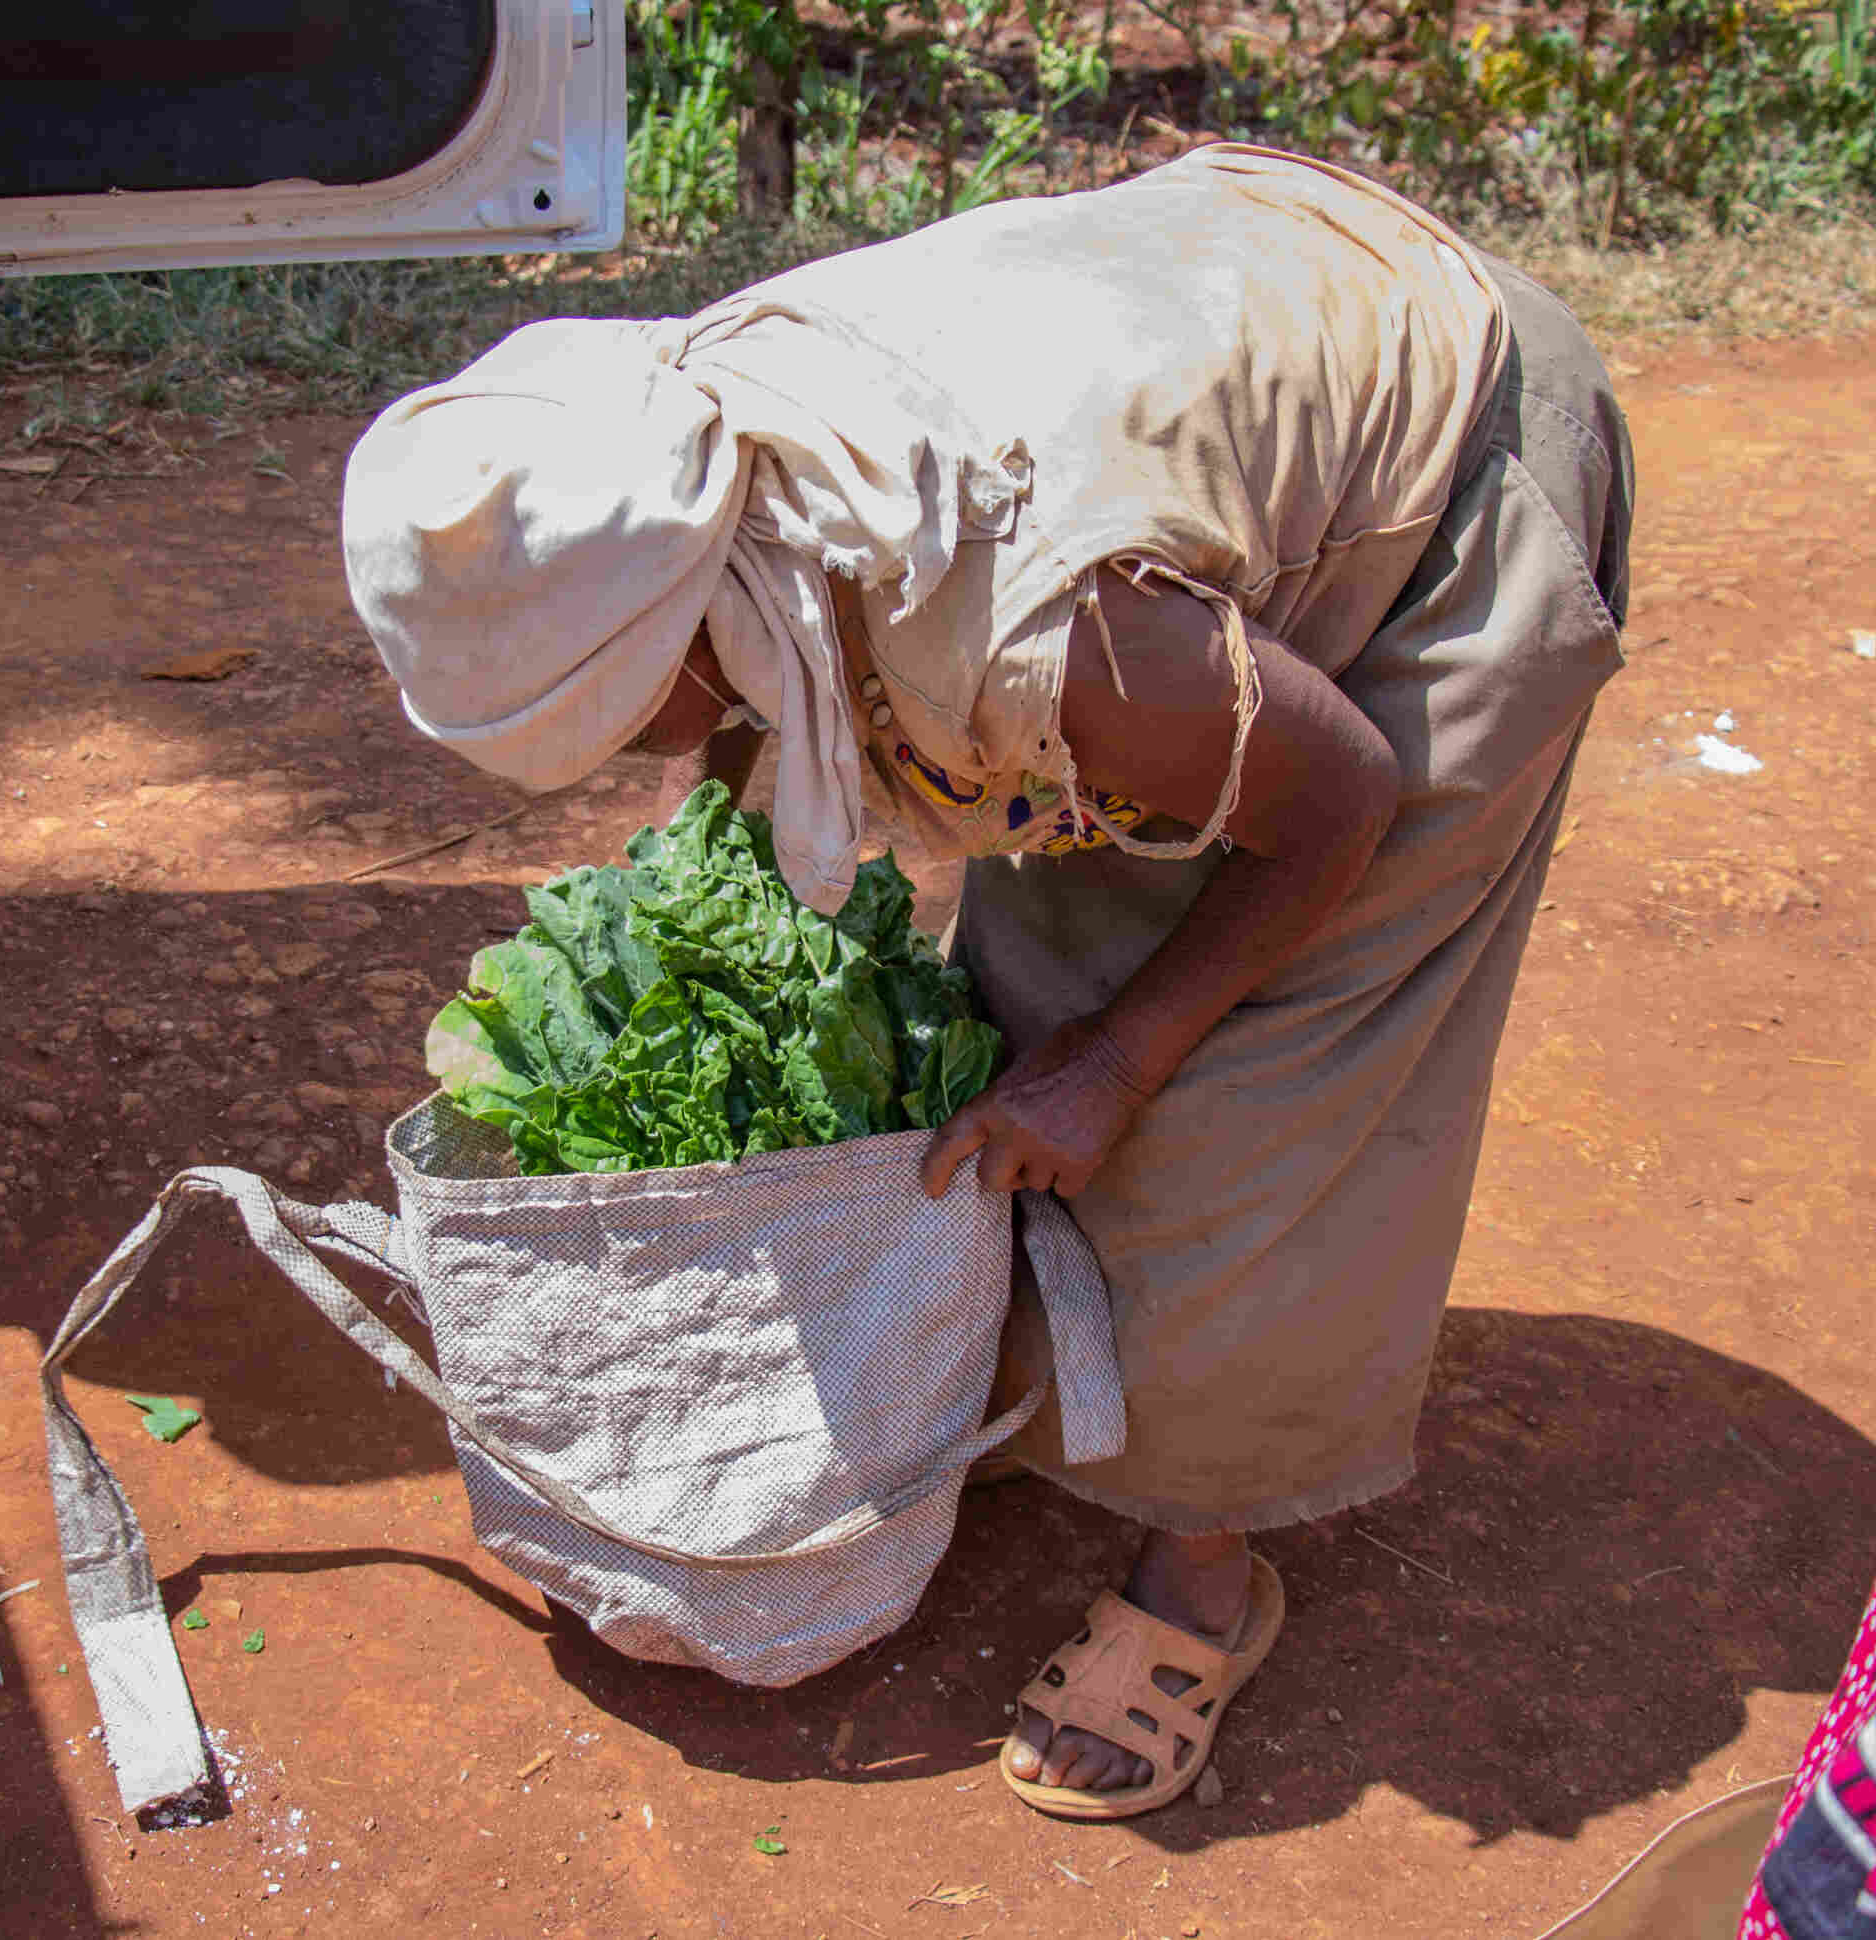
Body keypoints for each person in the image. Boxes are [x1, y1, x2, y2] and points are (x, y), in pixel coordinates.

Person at [341, 142, 1634, 1821]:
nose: (603, 765)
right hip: (1217, 406)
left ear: (680, 627)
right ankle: (1071, 1386)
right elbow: (798, 715)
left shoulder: (1041, 628)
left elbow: (1342, 800)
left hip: (1450, 477)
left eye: (603, 724)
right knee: (1033, 978)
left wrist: (1121, 1060)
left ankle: (1205, 1569)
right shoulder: (679, 474)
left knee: (1258, 1081)